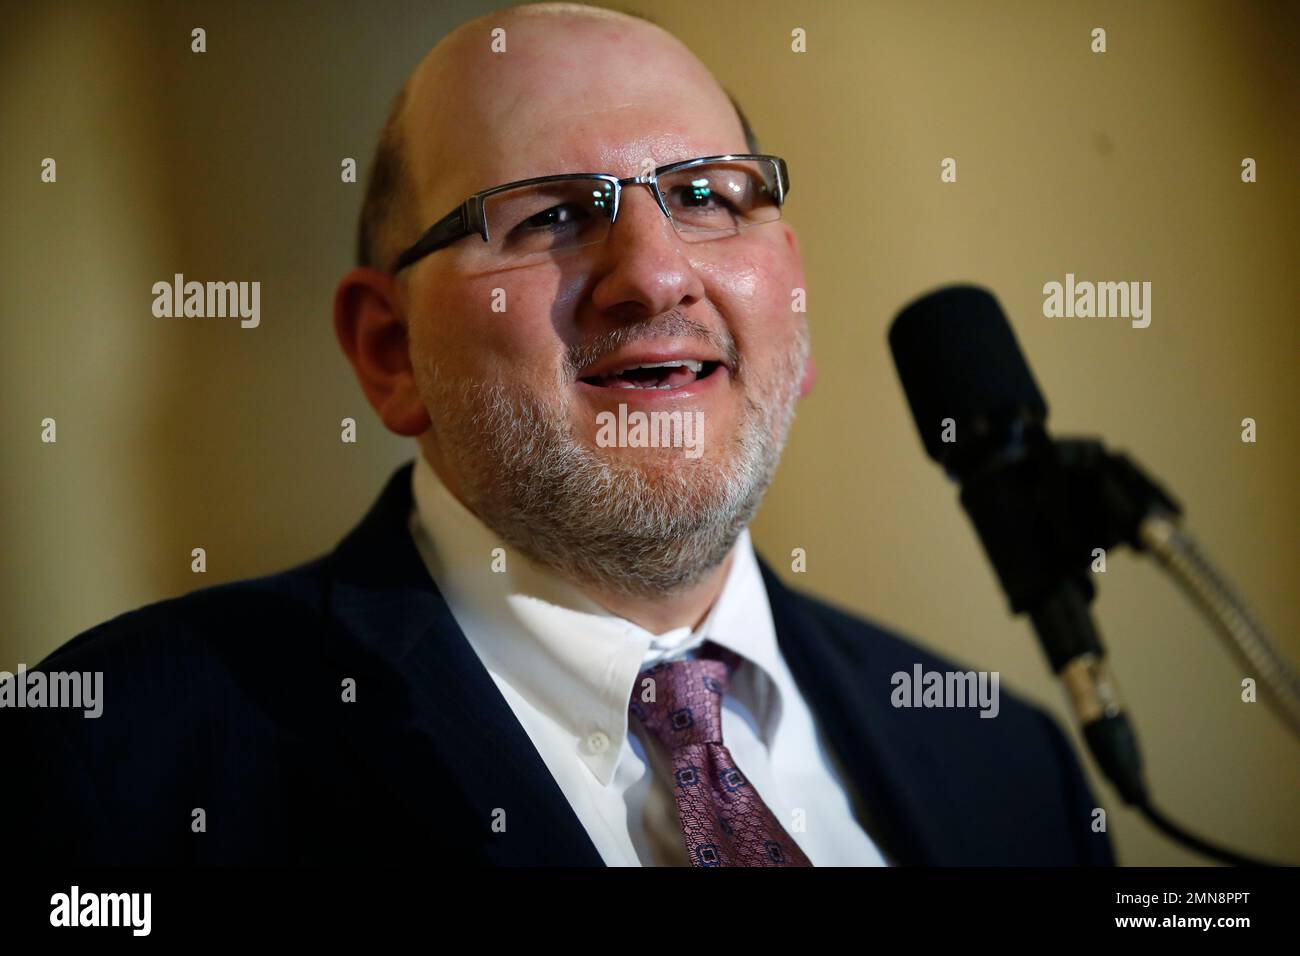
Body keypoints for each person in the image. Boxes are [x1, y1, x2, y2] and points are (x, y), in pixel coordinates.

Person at [3, 2, 1112, 867]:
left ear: (794, 310)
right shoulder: (120, 760)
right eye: (548, 215)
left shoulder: (1010, 766)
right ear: (389, 351)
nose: (655, 272)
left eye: (709, 197)